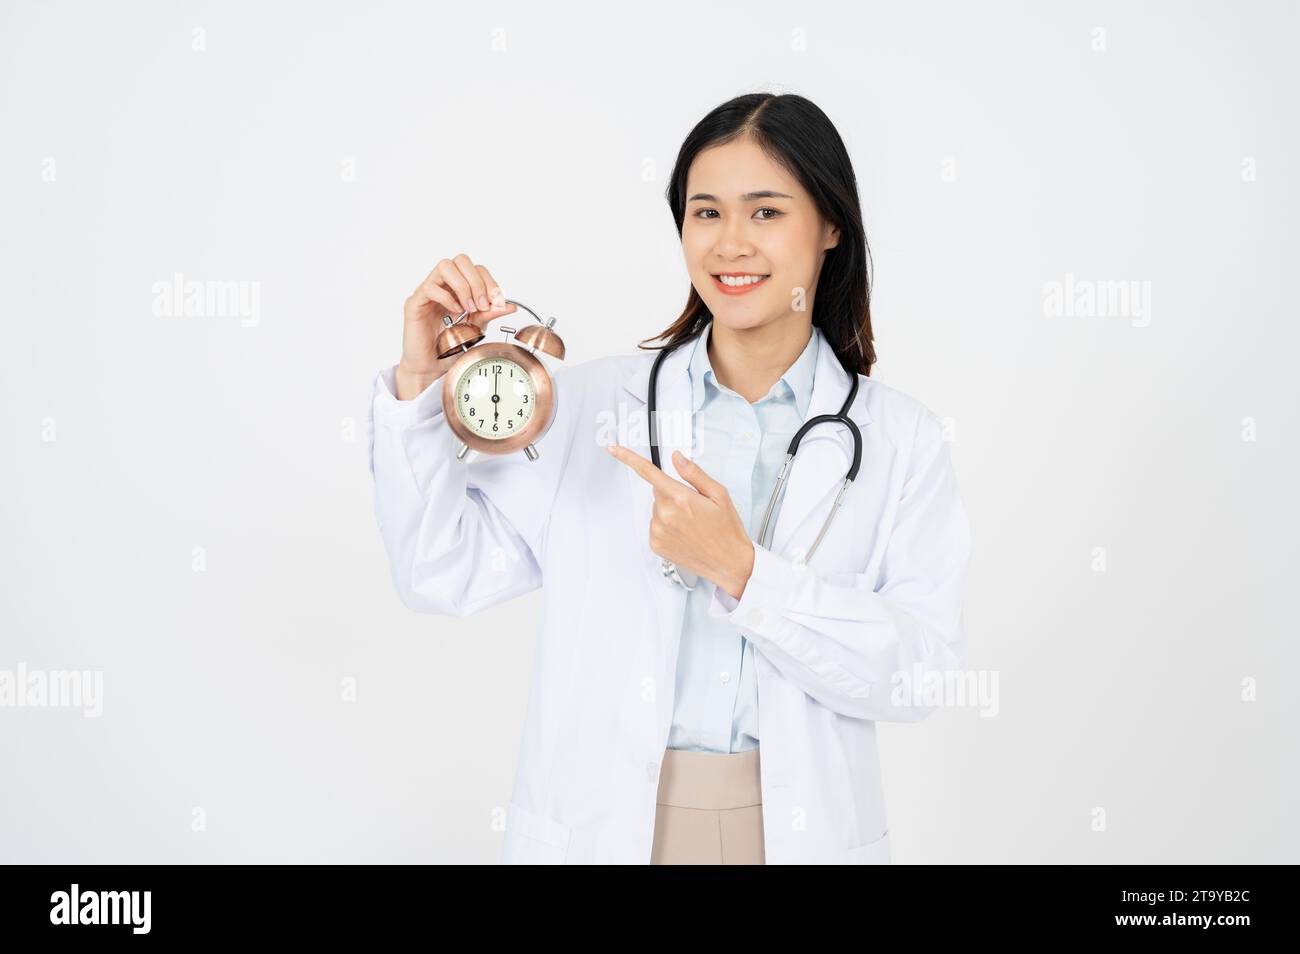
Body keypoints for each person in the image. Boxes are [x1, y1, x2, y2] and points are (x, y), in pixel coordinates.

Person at [368, 92, 972, 864]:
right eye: (705, 212)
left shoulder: (900, 439)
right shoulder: (588, 405)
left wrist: (745, 572)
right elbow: (436, 573)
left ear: (830, 228)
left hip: (794, 829)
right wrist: (421, 380)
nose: (729, 244)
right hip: (610, 828)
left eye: (765, 213)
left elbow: (921, 674)